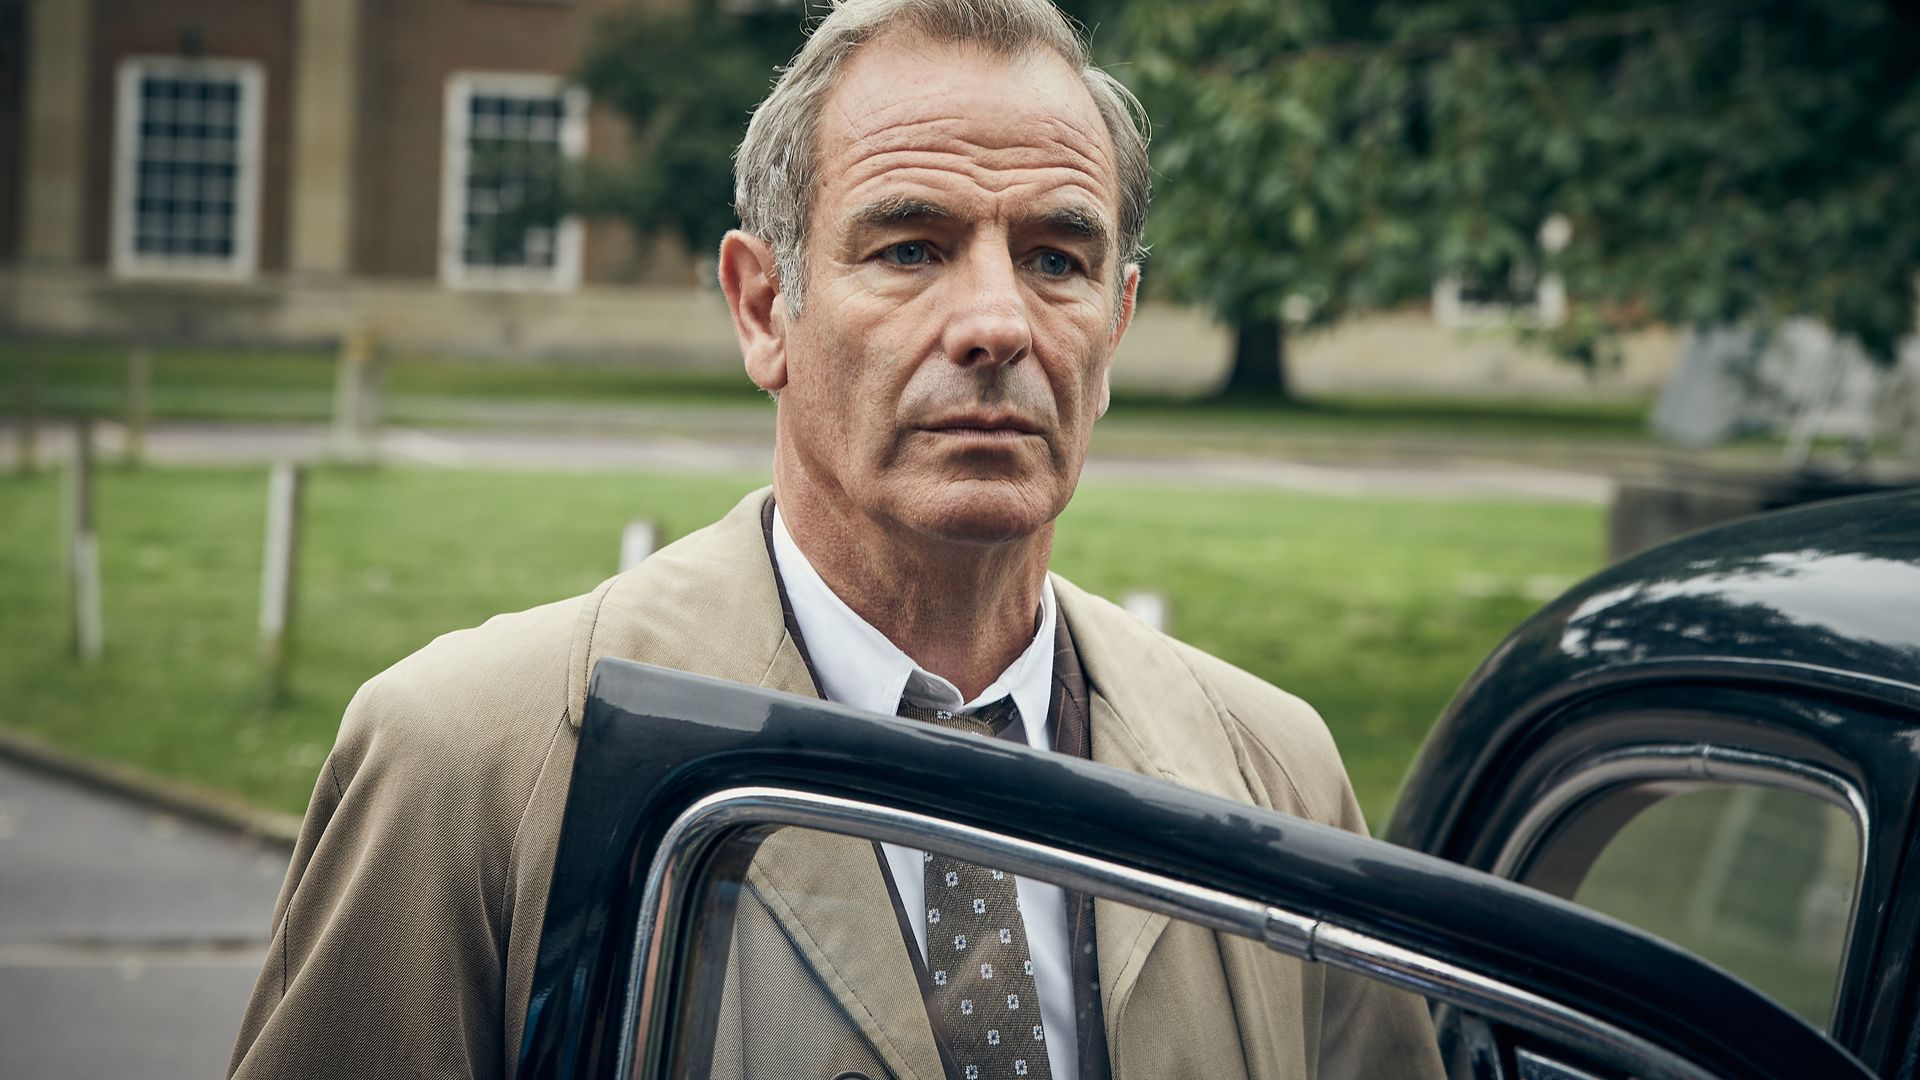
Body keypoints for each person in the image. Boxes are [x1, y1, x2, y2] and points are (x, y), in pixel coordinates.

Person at [228, 2, 1441, 1078]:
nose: (994, 323)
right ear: (765, 310)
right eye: (910, 248)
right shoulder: (467, 764)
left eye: (1056, 257)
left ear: (1114, 323)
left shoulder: (1276, 777)